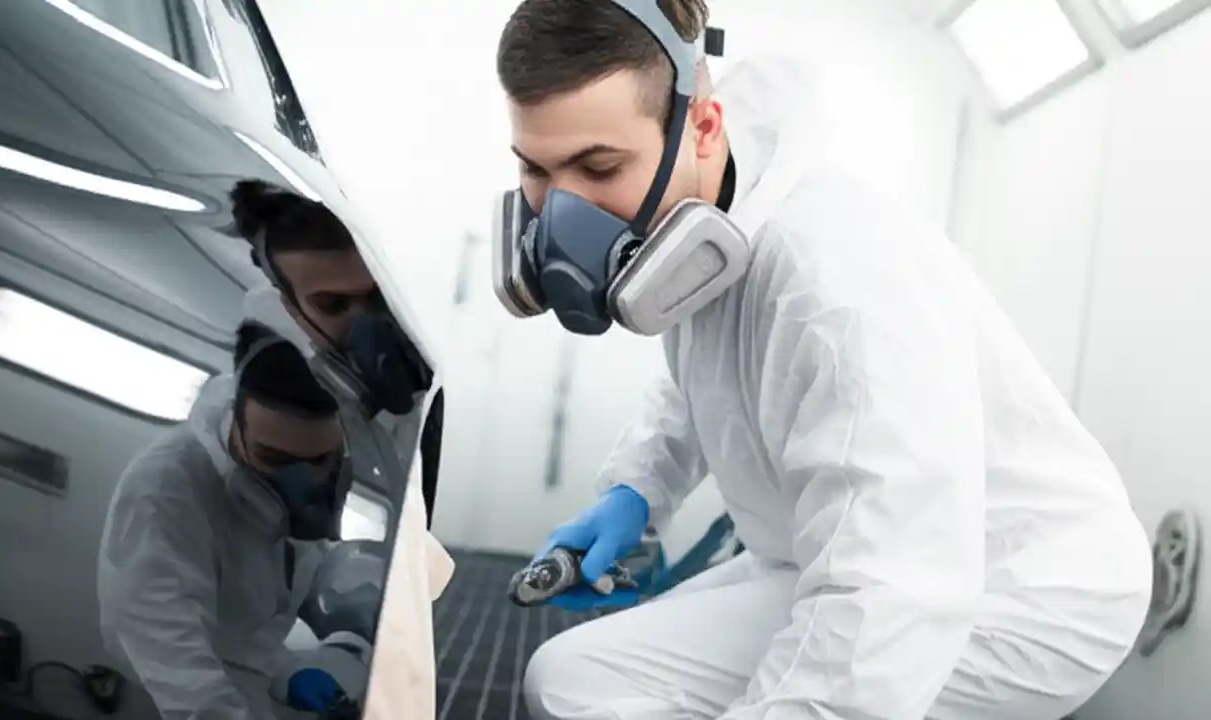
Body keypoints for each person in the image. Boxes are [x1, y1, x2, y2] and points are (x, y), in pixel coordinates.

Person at [493, 2, 1153, 719]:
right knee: (570, 681)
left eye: (598, 167)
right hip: (833, 553)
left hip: (1020, 590)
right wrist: (636, 491)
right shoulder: (704, 240)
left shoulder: (834, 284)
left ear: (704, 127)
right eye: (537, 170)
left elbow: (892, 594)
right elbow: (695, 385)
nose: (561, 215)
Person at [230, 180, 454, 720]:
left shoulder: (425, 328)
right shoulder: (265, 365)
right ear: (291, 305)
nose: (368, 329)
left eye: (376, 298)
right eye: (332, 306)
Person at [98, 322, 368, 719]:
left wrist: (286, 669)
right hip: (172, 685)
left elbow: (256, 620)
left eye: (319, 461)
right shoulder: (164, 489)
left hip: (245, 669)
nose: (302, 483)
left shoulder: (310, 476)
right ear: (235, 422)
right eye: (276, 459)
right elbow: (171, 651)